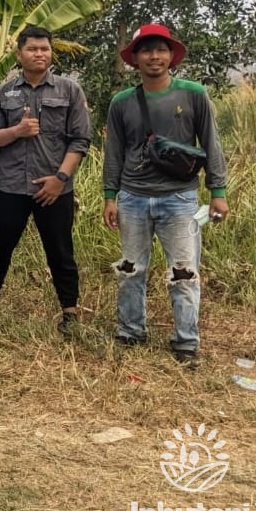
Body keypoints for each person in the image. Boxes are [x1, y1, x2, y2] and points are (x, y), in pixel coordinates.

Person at [103, 23, 228, 365]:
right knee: (131, 270)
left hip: (181, 198)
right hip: (132, 197)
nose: (153, 56)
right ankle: (130, 332)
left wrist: (218, 191)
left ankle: (186, 342)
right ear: (135, 58)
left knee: (184, 272)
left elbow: (211, 143)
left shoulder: (193, 93)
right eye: (146, 50)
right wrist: (109, 195)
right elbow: (113, 151)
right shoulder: (122, 102)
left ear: (171, 55)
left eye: (160, 49)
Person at [0, 26, 93, 332]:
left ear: (51, 53)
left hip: (54, 187)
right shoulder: (3, 93)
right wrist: (18, 131)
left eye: (45, 49)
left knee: (61, 250)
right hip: (11, 186)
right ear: (19, 54)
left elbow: (80, 140)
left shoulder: (69, 91)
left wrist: (61, 178)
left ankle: (70, 313)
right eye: (33, 49)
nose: (40, 54)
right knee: (0, 247)